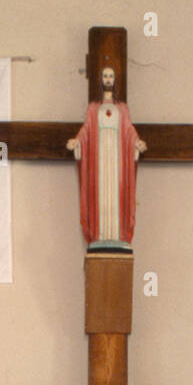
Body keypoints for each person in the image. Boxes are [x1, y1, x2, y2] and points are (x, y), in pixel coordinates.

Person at [66, 66, 147, 250]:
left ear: (115, 80)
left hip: (118, 159)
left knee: (117, 193)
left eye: (111, 76)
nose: (108, 79)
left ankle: (118, 235)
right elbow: (86, 130)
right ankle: (100, 234)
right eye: (105, 76)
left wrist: (137, 143)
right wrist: (77, 142)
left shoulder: (122, 108)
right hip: (99, 158)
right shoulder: (94, 108)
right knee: (100, 193)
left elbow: (129, 130)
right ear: (100, 80)